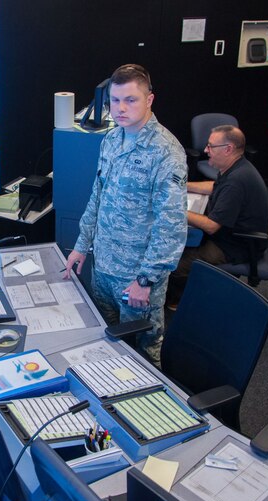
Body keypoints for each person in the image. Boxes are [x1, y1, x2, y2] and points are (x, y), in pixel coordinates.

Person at [63, 64, 188, 367]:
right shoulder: (112, 139)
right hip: (103, 268)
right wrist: (82, 245)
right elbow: (98, 195)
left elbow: (170, 227)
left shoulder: (165, 152)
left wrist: (145, 280)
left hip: (135, 277)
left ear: (149, 100)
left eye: (130, 100)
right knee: (106, 347)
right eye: (114, 101)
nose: (120, 108)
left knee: (144, 352)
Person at [166, 125, 268, 307]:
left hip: (235, 246)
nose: (206, 150)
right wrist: (183, 185)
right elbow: (215, 187)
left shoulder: (236, 182)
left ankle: (177, 301)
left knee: (174, 264)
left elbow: (212, 226)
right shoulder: (237, 167)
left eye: (211, 146)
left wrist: (174, 208)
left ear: (228, 149)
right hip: (236, 236)